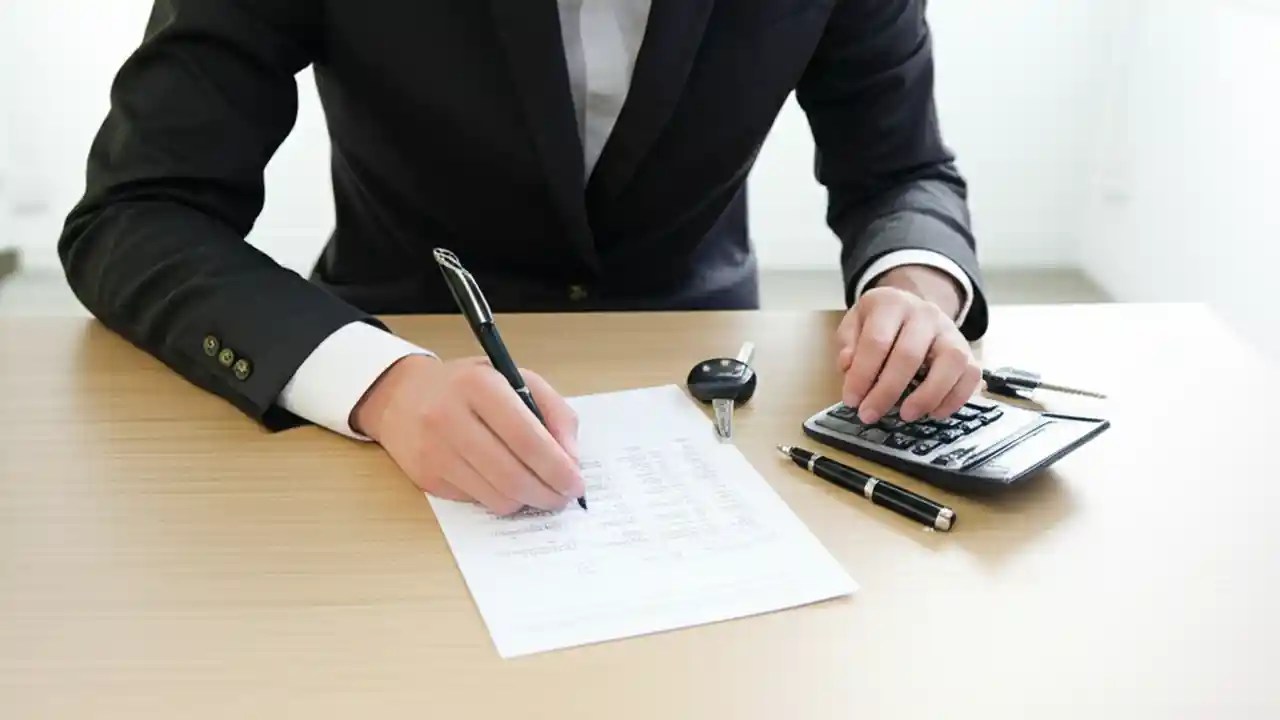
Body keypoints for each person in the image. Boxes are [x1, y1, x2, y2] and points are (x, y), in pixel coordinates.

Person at [59, 0, 989, 515]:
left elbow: (903, 168)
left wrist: (913, 282)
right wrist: (382, 382)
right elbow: (139, 211)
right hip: (384, 396)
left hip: (705, 393)